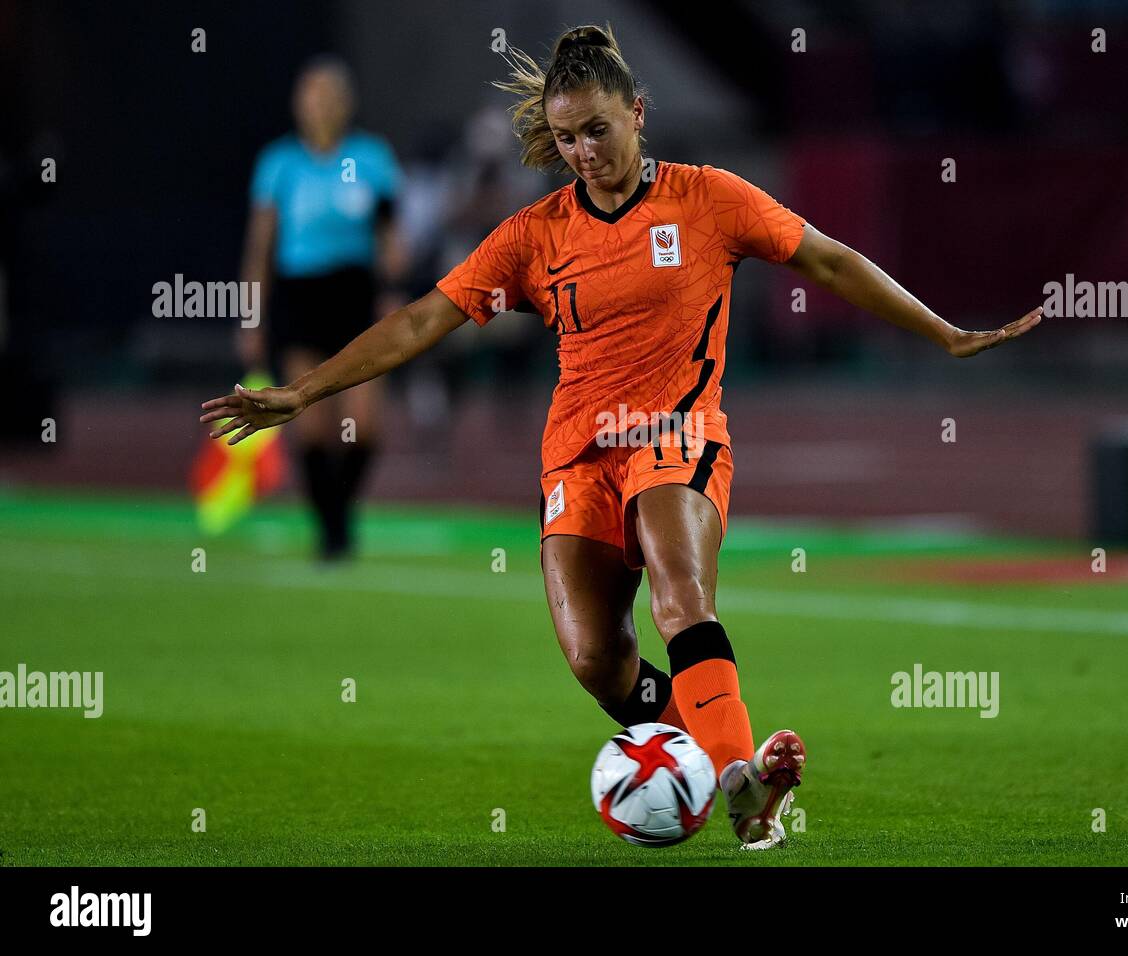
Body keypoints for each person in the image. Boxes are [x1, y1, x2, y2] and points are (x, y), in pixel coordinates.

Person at [203, 24, 1040, 849]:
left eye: (598, 130)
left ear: (639, 111)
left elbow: (827, 260)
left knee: (681, 598)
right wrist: (303, 390)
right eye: (566, 138)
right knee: (597, 661)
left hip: (678, 433)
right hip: (576, 453)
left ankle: (744, 793)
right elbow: (428, 316)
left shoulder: (710, 199)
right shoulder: (536, 236)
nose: (583, 152)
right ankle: (734, 763)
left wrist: (944, 332)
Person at [239, 55, 405, 560]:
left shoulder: (372, 159)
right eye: (312, 96)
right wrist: (251, 317)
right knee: (309, 424)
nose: (321, 106)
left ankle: (338, 512)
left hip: (355, 297)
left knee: (365, 426)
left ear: (347, 103)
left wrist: (398, 283)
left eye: (331, 95)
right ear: (298, 104)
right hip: (300, 297)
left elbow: (391, 239)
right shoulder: (279, 164)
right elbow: (260, 248)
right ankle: (332, 534)